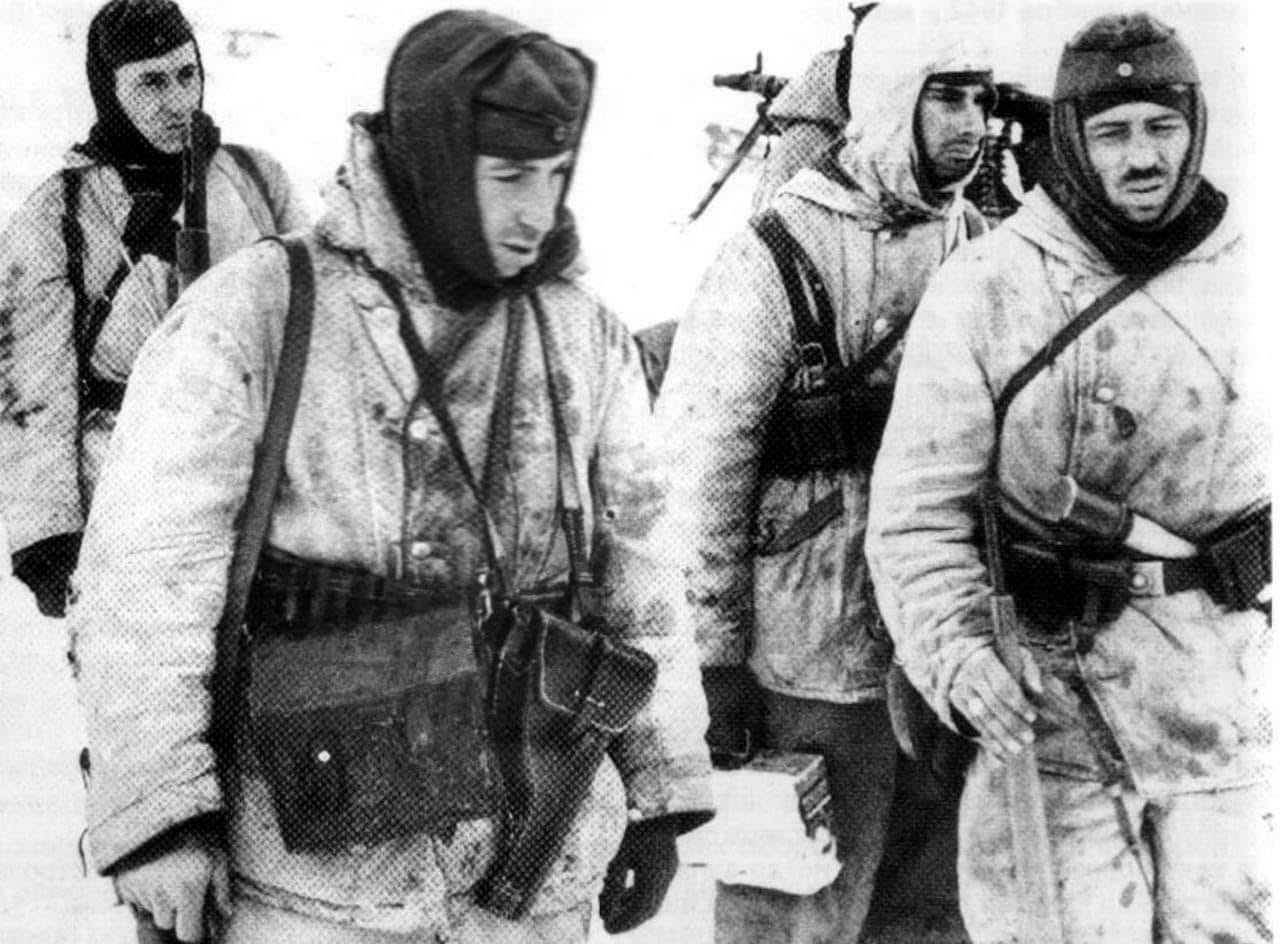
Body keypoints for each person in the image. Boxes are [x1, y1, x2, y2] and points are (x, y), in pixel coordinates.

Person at [68, 9, 713, 944]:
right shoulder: (255, 312)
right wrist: (161, 821)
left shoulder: (582, 334)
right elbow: (144, 580)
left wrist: (662, 790)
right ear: (432, 160)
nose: (536, 211)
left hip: (531, 860)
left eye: (552, 175)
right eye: (507, 178)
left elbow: (641, 572)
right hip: (313, 878)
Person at [866, 12, 1268, 944]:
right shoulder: (988, 288)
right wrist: (958, 653)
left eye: (1162, 127)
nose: (1142, 157)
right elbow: (917, 516)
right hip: (1048, 698)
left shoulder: (1254, 270)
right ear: (1073, 142)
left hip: (1229, 694)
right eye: (1112, 132)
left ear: (1197, 127)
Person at [654, 23, 996, 944]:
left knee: (931, 914)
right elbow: (697, 471)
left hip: (942, 659)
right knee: (795, 916)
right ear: (891, 96)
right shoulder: (773, 255)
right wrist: (713, 661)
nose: (972, 124)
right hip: (811, 668)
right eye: (947, 96)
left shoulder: (980, 247)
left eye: (981, 98)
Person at [0, 0, 305, 617]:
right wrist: (49, 540)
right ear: (108, 91)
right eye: (150, 83)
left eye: (186, 75)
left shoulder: (255, 180)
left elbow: (315, 325)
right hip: (133, 490)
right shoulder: (60, 213)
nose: (177, 101)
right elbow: (32, 389)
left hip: (259, 484)